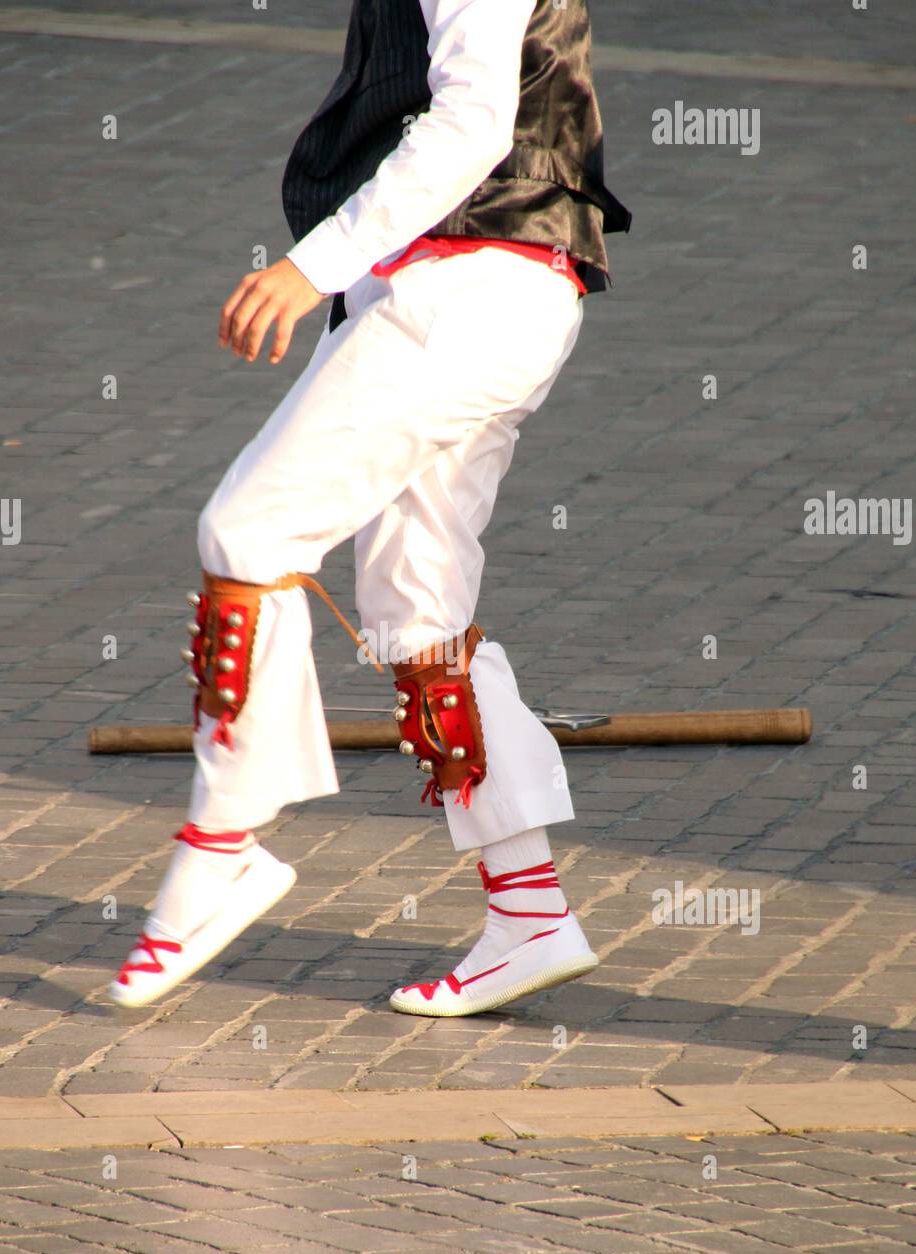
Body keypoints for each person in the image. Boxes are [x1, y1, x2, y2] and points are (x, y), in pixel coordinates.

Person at [110, 0, 630, 1016]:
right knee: (416, 608)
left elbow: (474, 117)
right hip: (483, 284)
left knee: (248, 531)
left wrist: (313, 267)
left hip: (469, 284)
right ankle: (527, 912)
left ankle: (225, 845)